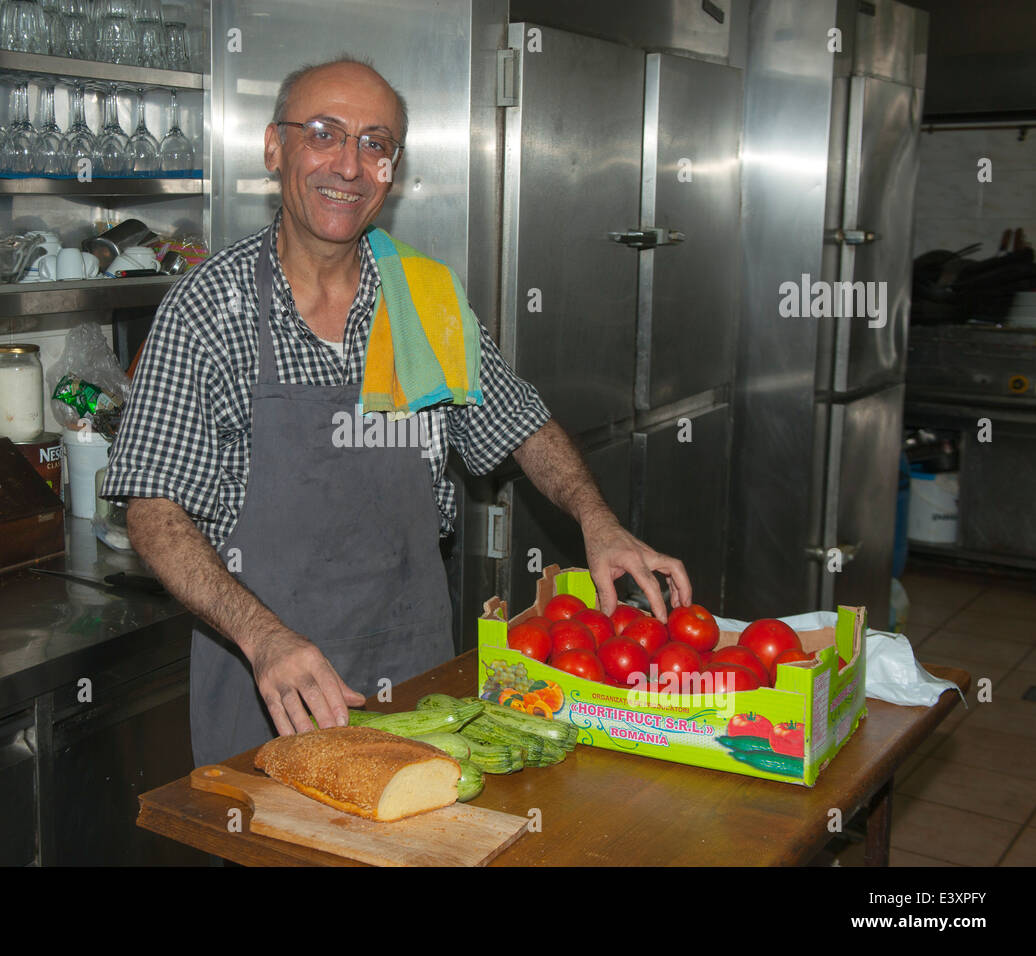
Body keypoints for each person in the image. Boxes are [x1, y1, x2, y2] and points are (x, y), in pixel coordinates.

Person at [103, 56, 692, 767]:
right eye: (324, 133)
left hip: (417, 681)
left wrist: (598, 521)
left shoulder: (424, 298)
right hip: (272, 690)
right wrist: (263, 637)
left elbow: (522, 425)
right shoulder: (206, 311)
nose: (349, 166)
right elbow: (154, 509)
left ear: (394, 170)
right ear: (273, 147)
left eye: (375, 144)